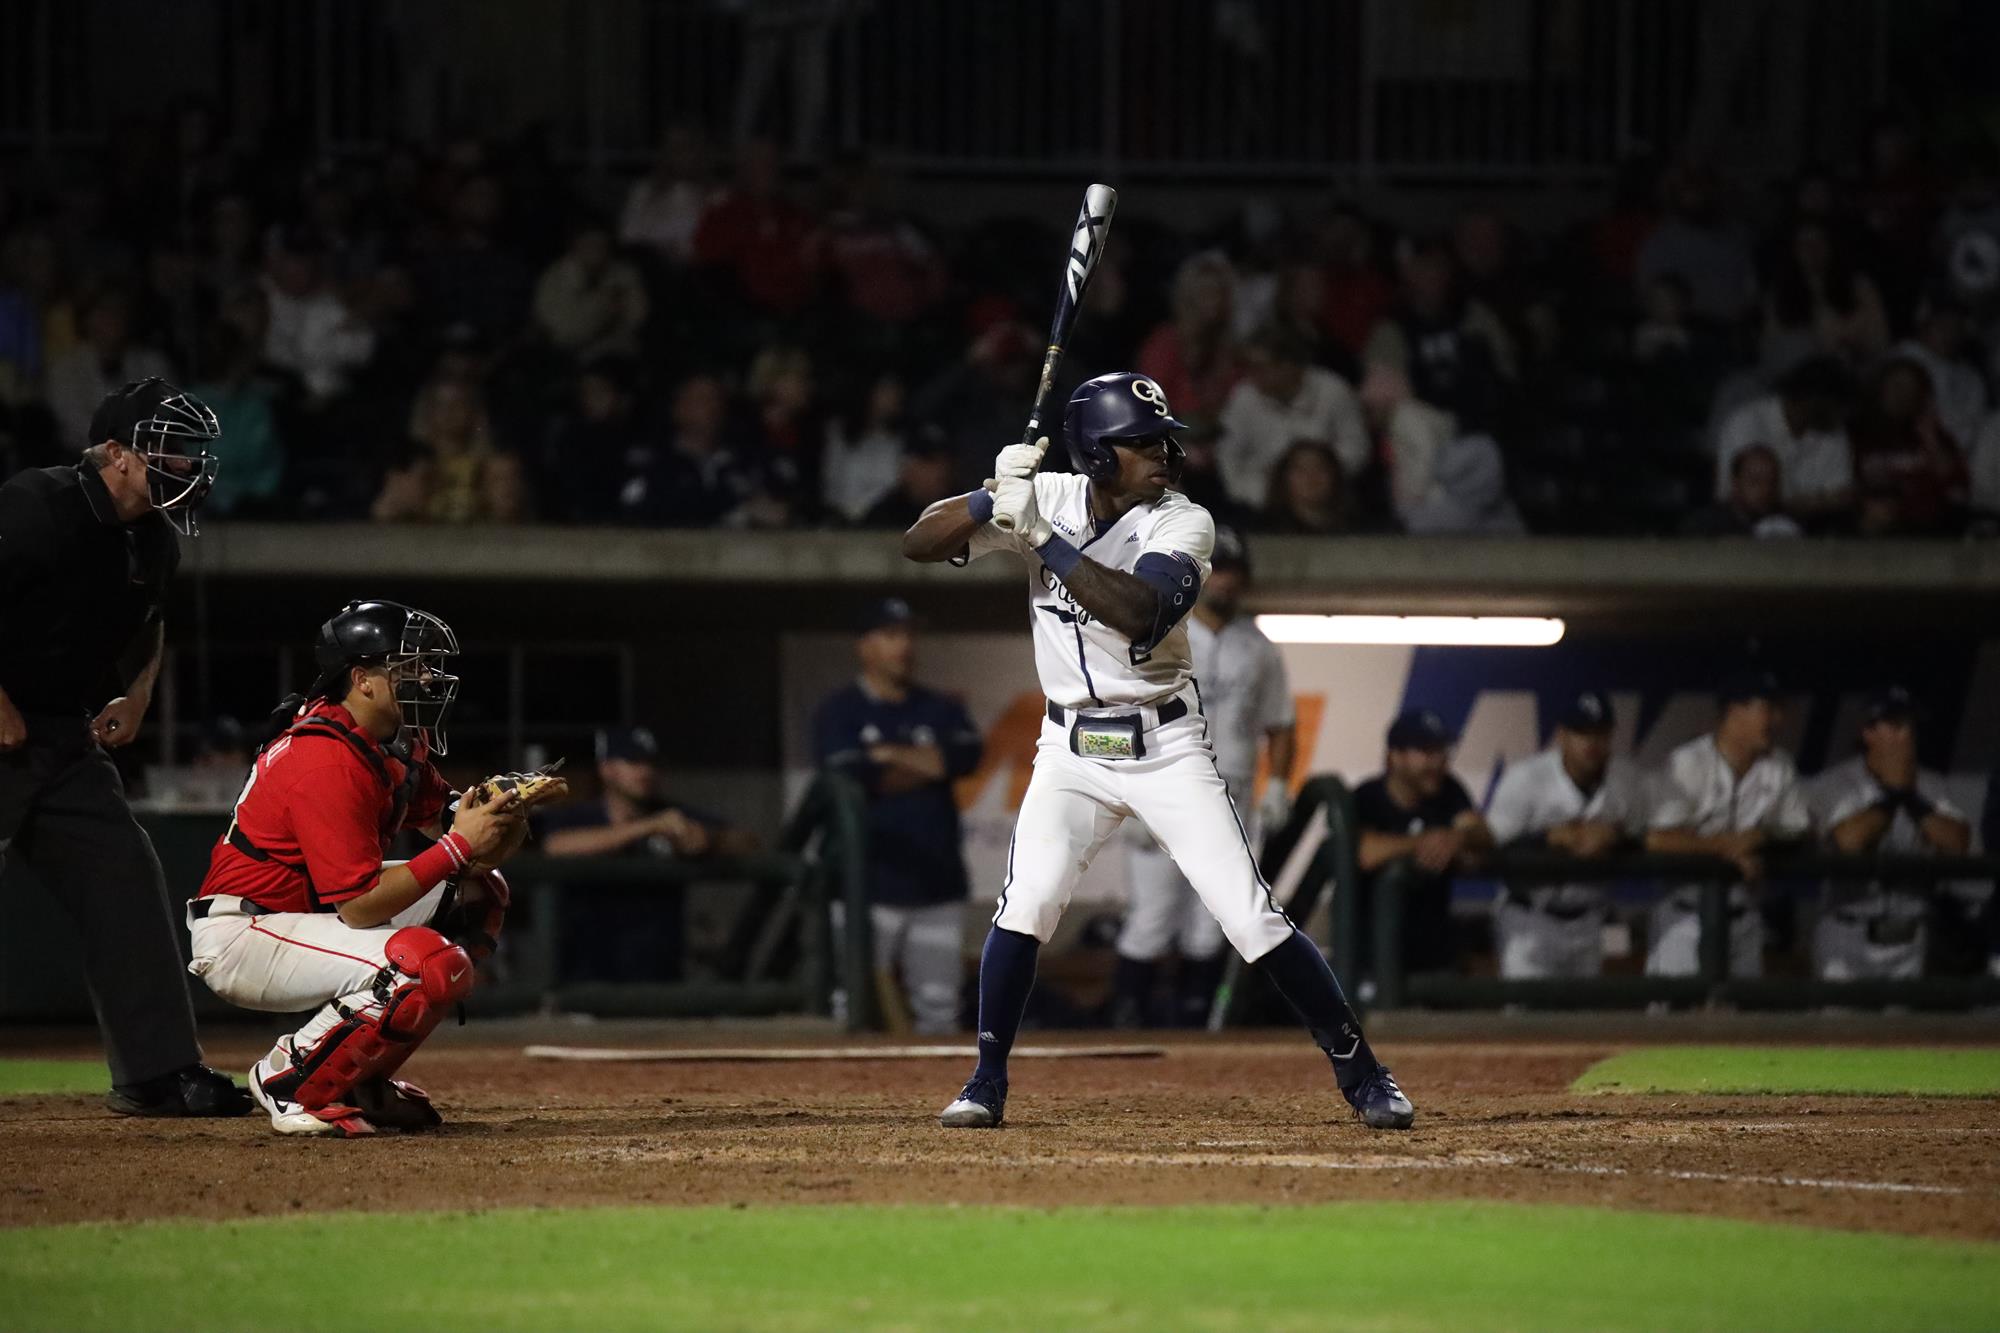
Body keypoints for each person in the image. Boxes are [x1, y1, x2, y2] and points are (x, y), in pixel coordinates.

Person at [902, 370, 1414, 1131]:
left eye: (1166, 442)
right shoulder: (1051, 496)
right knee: (1029, 900)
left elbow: (1136, 613)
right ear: (1099, 456)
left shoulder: (1185, 522)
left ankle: (1363, 1070)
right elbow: (915, 543)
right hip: (1070, 747)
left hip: (1164, 743)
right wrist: (988, 497)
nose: (1166, 455)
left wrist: (1037, 534)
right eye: (1144, 444)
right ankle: (986, 1079)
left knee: (1249, 916)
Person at [188, 601, 538, 1136]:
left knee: (480, 892)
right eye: (408, 666)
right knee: (422, 964)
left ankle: (358, 1078)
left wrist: (496, 814)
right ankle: (288, 1076)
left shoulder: (390, 742)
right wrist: (460, 846)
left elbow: (454, 831)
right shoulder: (324, 756)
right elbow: (360, 905)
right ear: (362, 680)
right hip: (246, 932)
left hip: (309, 912)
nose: (427, 677)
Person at [0, 377, 242, 1118]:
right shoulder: (36, 505)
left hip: (60, 735)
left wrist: (136, 693)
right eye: (168, 448)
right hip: (4, 718)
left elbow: (150, 623)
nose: (186, 464)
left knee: (125, 876)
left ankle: (158, 1072)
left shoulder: (153, 538)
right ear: (115, 452)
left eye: (191, 451)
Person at [1113, 529, 1295, 1027]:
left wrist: (1276, 784)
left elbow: (1280, 723)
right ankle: (1129, 1020)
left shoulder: (1257, 645)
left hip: (1232, 789)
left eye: (1235, 571)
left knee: (1213, 922)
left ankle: (1196, 1031)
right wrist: (1126, 789)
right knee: (1151, 918)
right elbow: (1117, 711)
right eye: (1219, 569)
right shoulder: (1158, 629)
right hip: (1164, 783)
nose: (1227, 581)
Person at [813, 599, 983, 1033]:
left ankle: (941, 1098)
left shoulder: (938, 707)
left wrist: (888, 755)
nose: (903, 646)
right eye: (890, 635)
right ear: (864, 646)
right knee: (849, 1008)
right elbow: (850, 774)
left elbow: (964, 758)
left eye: (908, 635)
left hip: (936, 883)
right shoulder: (840, 711)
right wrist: (928, 763)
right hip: (866, 887)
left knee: (940, 1009)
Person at [537, 725, 756, 984]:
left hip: (659, 979)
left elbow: (748, 842)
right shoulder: (581, 816)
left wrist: (708, 838)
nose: (645, 772)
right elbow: (555, 846)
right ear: (606, 768)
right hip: (589, 980)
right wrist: (648, 827)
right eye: (633, 762)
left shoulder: (672, 815)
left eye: (651, 763)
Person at [1642, 670, 1811, 978]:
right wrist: (1724, 848)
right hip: (1685, 921)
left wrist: (1760, 837)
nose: (1777, 720)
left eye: (1779, 709)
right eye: (1767, 709)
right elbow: (1657, 839)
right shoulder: (1687, 763)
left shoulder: (1780, 767)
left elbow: (1798, 830)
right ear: (1735, 710)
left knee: (1740, 1023)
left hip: (1745, 922)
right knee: (1676, 1023)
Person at [1806, 687, 1970, 980]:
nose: (1905, 736)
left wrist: (1910, 797)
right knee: (1841, 1025)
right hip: (1848, 934)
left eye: (1910, 726)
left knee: (1903, 1025)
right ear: (1868, 733)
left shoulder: (1931, 785)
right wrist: (1892, 797)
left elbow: (1957, 842)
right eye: (1894, 727)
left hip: (1910, 938)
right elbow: (1848, 842)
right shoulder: (1834, 784)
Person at [1484, 691, 1645, 980]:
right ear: (1561, 735)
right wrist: (1550, 839)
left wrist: (1615, 836)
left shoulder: (1626, 780)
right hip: (1530, 919)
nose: (1592, 743)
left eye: (1600, 733)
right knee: (1526, 1021)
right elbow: (1492, 847)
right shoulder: (1527, 779)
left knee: (1582, 1021)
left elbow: (1650, 837)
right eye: (1582, 733)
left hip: (1590, 920)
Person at [1353, 709, 1493, 984]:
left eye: (1442, 751)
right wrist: (1422, 842)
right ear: (1395, 756)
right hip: (1371, 957)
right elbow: (1365, 852)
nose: (1438, 762)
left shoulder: (1448, 791)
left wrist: (1457, 838)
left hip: (1433, 954)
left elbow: (1481, 832)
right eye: (1426, 752)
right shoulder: (1367, 796)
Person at [1216, 326, 1367, 506]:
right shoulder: (1244, 397)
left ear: (1289, 366)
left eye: (1260, 368)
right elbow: (1228, 455)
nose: (1252, 376)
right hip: (1260, 501)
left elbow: (1356, 449)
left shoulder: (1333, 391)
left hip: (1328, 500)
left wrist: (1316, 474)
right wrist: (1256, 492)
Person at [1712, 356, 1855, 524]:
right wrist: (1815, 501)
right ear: (1811, 400)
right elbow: (1743, 496)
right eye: (1835, 406)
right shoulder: (1746, 421)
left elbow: (1842, 495)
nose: (1840, 415)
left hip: (1813, 527)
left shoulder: (1832, 429)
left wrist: (1802, 506)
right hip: (1744, 526)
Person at [1680, 444, 1802, 538]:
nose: (1765, 489)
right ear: (1736, 483)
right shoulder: (1705, 526)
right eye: (1755, 481)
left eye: (1772, 482)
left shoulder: (1787, 525)